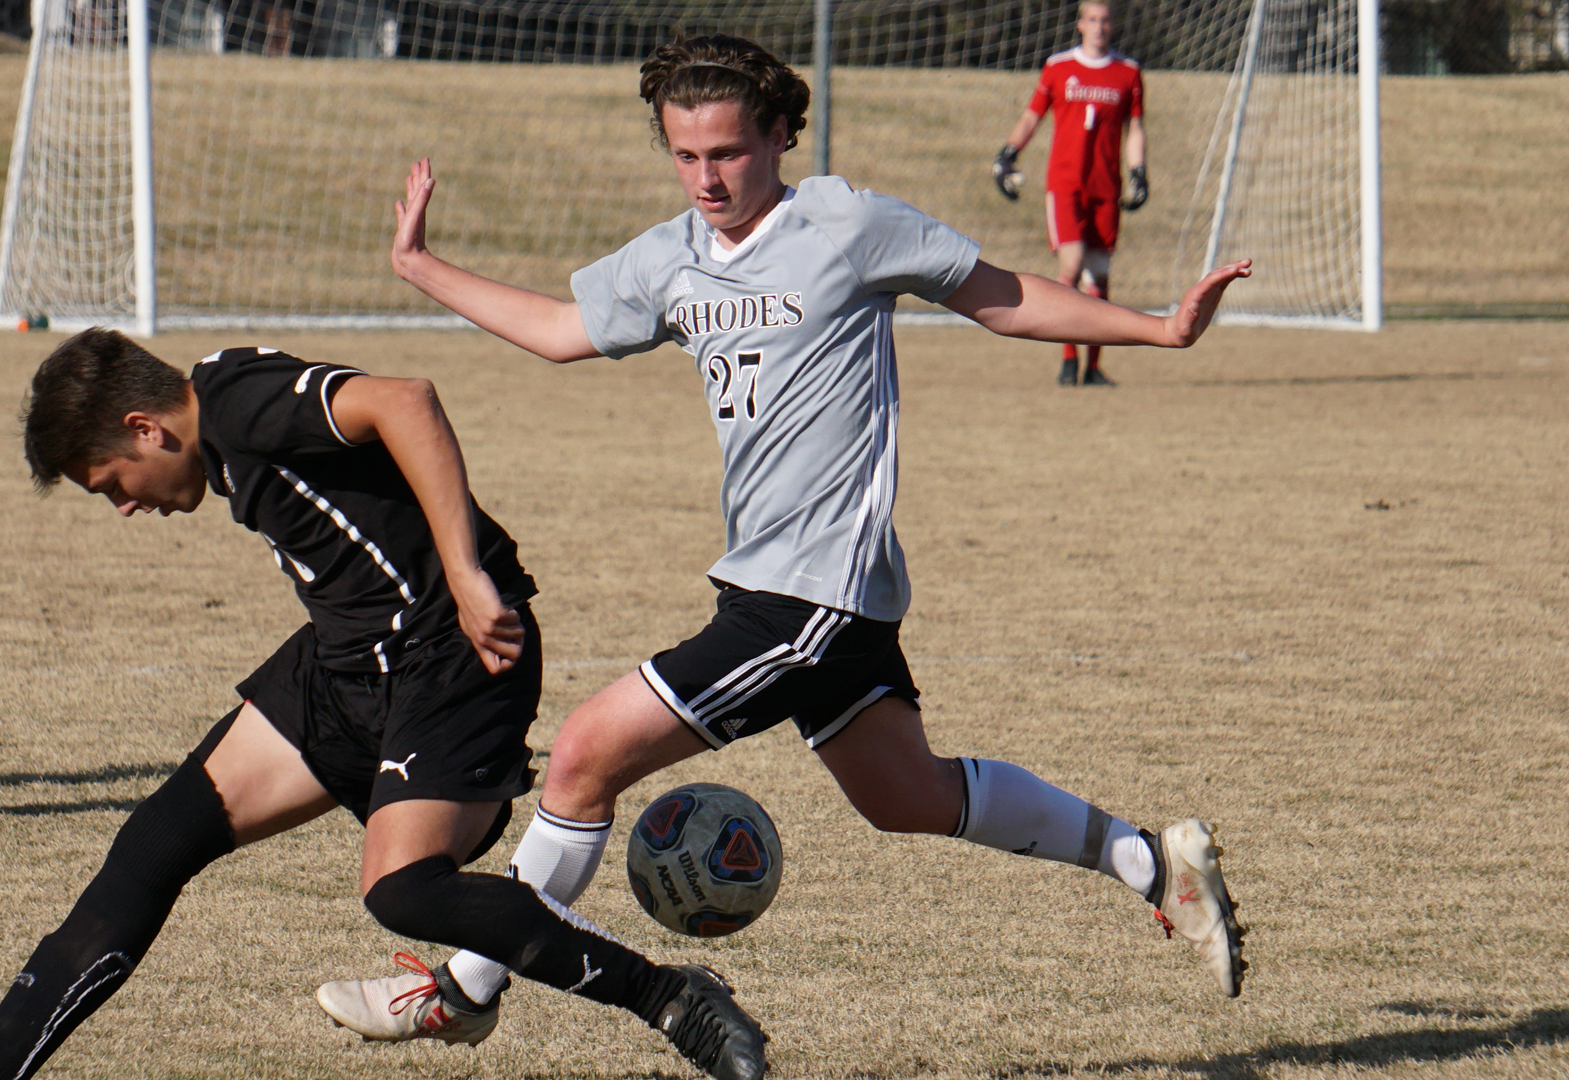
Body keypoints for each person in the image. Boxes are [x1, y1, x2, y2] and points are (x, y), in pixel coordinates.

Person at [314, 32, 1250, 1046]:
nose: (706, 178)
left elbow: (1003, 294)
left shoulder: (845, 225)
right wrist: (418, 265)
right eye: (684, 156)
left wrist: (1158, 328)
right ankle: (1152, 863)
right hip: (779, 591)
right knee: (909, 796)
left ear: (777, 134)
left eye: (727, 153)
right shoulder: (670, 257)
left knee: (583, 753)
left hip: (815, 594)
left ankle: (463, 991)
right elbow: (554, 329)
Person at [0, 330, 768, 1080]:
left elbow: (406, 399)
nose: (124, 507)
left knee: (404, 890)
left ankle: (672, 1001)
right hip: (342, 666)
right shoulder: (223, 430)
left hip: (450, 652)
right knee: (157, 842)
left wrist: (463, 568)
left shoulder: (237, 405)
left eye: (110, 484)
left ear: (144, 427)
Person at [993, 0, 1147, 387]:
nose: (1099, 26)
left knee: (1099, 274)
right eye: (1092, 19)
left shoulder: (1127, 73)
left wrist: (1138, 172)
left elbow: (1135, 129)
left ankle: (1093, 366)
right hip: (1065, 185)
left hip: (1105, 188)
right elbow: (1032, 115)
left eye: (1105, 20)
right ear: (1080, 24)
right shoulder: (1059, 67)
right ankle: (1066, 359)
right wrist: (1009, 152)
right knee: (1072, 264)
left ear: (1113, 25)